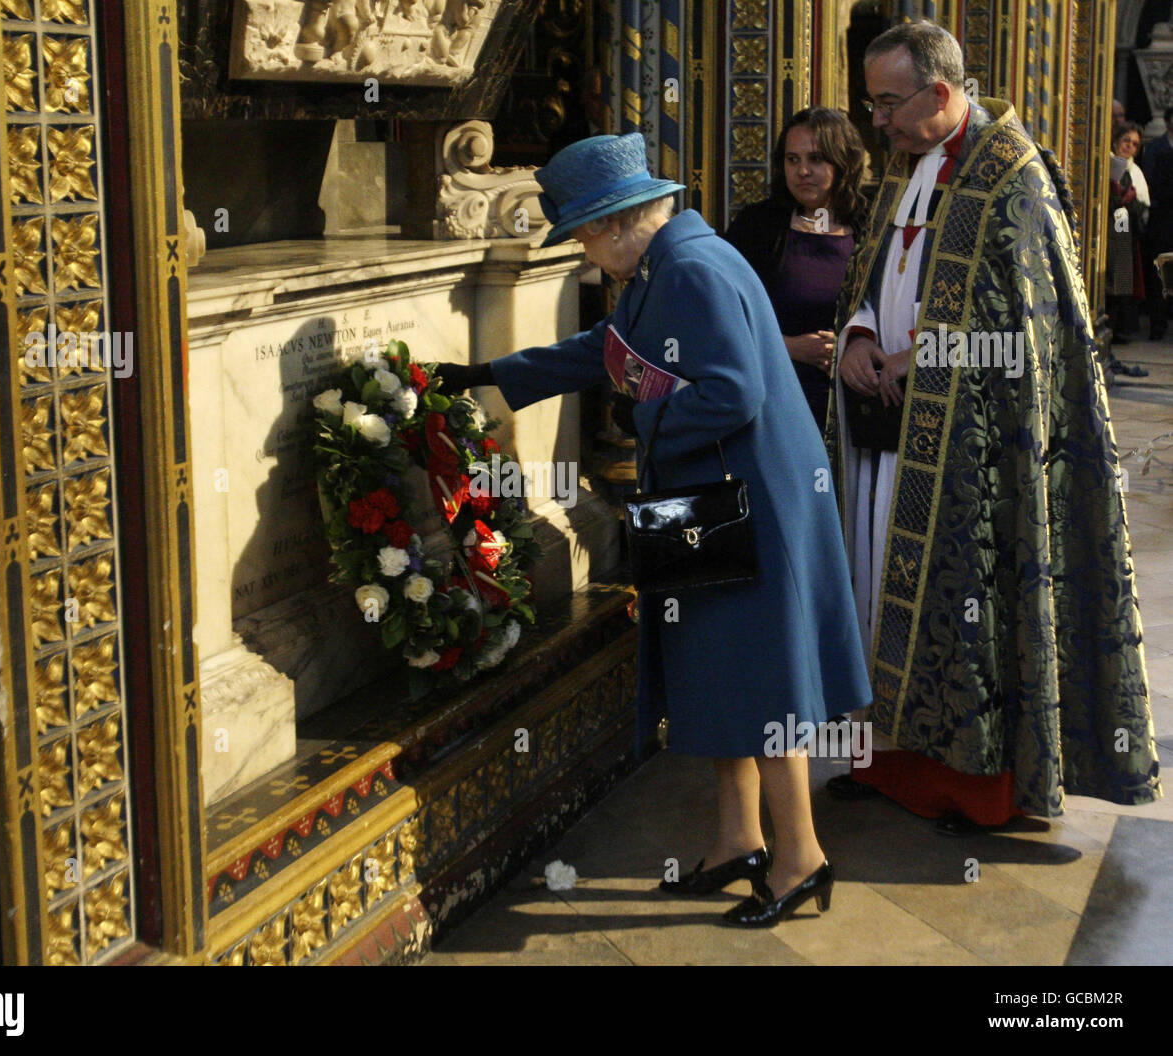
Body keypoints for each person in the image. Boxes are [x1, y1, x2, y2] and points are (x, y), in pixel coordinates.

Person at [437, 132, 872, 926]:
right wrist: (492, 376)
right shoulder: (672, 260)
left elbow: (732, 393)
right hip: (721, 500)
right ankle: (740, 841)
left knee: (763, 678)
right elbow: (609, 350)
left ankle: (800, 858)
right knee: (720, 668)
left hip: (743, 506)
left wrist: (643, 413)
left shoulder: (692, 271)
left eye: (579, 239)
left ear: (615, 225)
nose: (582, 255)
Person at [827, 21, 1160, 831]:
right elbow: (876, 276)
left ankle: (973, 784)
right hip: (887, 443)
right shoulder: (901, 170)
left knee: (968, 604)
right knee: (877, 593)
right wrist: (862, 337)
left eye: (889, 104)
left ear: (941, 94)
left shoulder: (1013, 177)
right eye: (873, 105)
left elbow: (1033, 338)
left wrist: (925, 359)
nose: (879, 122)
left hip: (972, 457)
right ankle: (885, 759)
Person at [723, 107, 869, 432]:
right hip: (772, 398)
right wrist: (788, 347)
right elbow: (720, 314)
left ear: (842, 162)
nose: (802, 171)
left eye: (816, 159)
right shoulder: (757, 226)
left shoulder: (871, 226)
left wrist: (854, 343)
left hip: (853, 405)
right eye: (792, 160)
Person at [1105, 122, 1150, 375]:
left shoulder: (1133, 171)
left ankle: (1117, 334)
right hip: (1107, 233)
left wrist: (1126, 202)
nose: (1129, 147)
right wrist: (1121, 200)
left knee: (1121, 285)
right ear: (1116, 141)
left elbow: (1140, 207)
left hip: (1123, 233)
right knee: (1110, 286)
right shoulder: (1110, 165)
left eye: (1134, 144)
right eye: (1126, 142)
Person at [1140, 105, 1173, 340]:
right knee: (1159, 274)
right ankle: (1157, 324)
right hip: (1162, 220)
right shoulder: (1156, 150)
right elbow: (1151, 185)